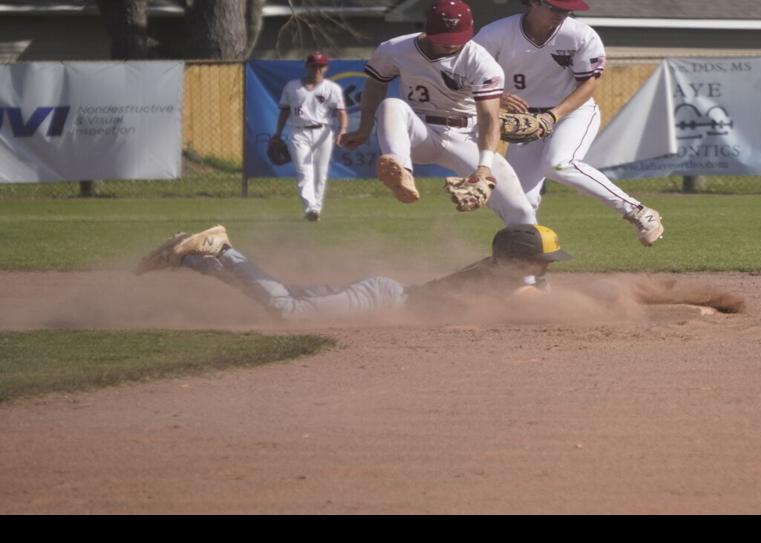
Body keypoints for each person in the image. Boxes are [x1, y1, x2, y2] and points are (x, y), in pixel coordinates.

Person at [473, 0, 665, 246]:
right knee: (517, 201)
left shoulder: (580, 35)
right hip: (526, 121)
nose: (563, 13)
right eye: (556, 7)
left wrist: (552, 115)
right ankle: (528, 267)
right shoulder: (495, 34)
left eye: (568, 9)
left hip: (573, 113)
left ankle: (638, 211)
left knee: (559, 164)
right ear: (533, 2)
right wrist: (498, 96)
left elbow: (589, 84)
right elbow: (468, 73)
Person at [337, 0, 536, 228]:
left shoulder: (482, 63)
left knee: (521, 210)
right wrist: (364, 128)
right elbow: (375, 84)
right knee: (392, 105)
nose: (451, 45)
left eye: (458, 39)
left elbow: (488, 119)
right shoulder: (395, 49)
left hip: (464, 135)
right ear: (428, 29)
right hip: (420, 132)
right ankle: (402, 171)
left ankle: (522, 259)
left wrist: (484, 166)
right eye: (444, 39)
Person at [131, 224, 569, 321]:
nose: (548, 264)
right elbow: (546, 309)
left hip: (389, 292)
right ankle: (224, 248)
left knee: (279, 293)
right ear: (516, 259)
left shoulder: (506, 272)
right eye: (543, 259)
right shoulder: (507, 285)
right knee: (287, 311)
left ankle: (190, 257)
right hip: (384, 299)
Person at [272, 52, 348, 222]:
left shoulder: (332, 88)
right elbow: (284, 111)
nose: (317, 69)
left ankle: (316, 208)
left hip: (324, 131)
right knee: (304, 171)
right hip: (299, 131)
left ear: (326, 68)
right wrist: (277, 133)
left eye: (321, 66)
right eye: (314, 65)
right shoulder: (292, 87)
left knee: (321, 173)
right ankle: (310, 207)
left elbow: (341, 112)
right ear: (307, 66)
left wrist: (342, 130)